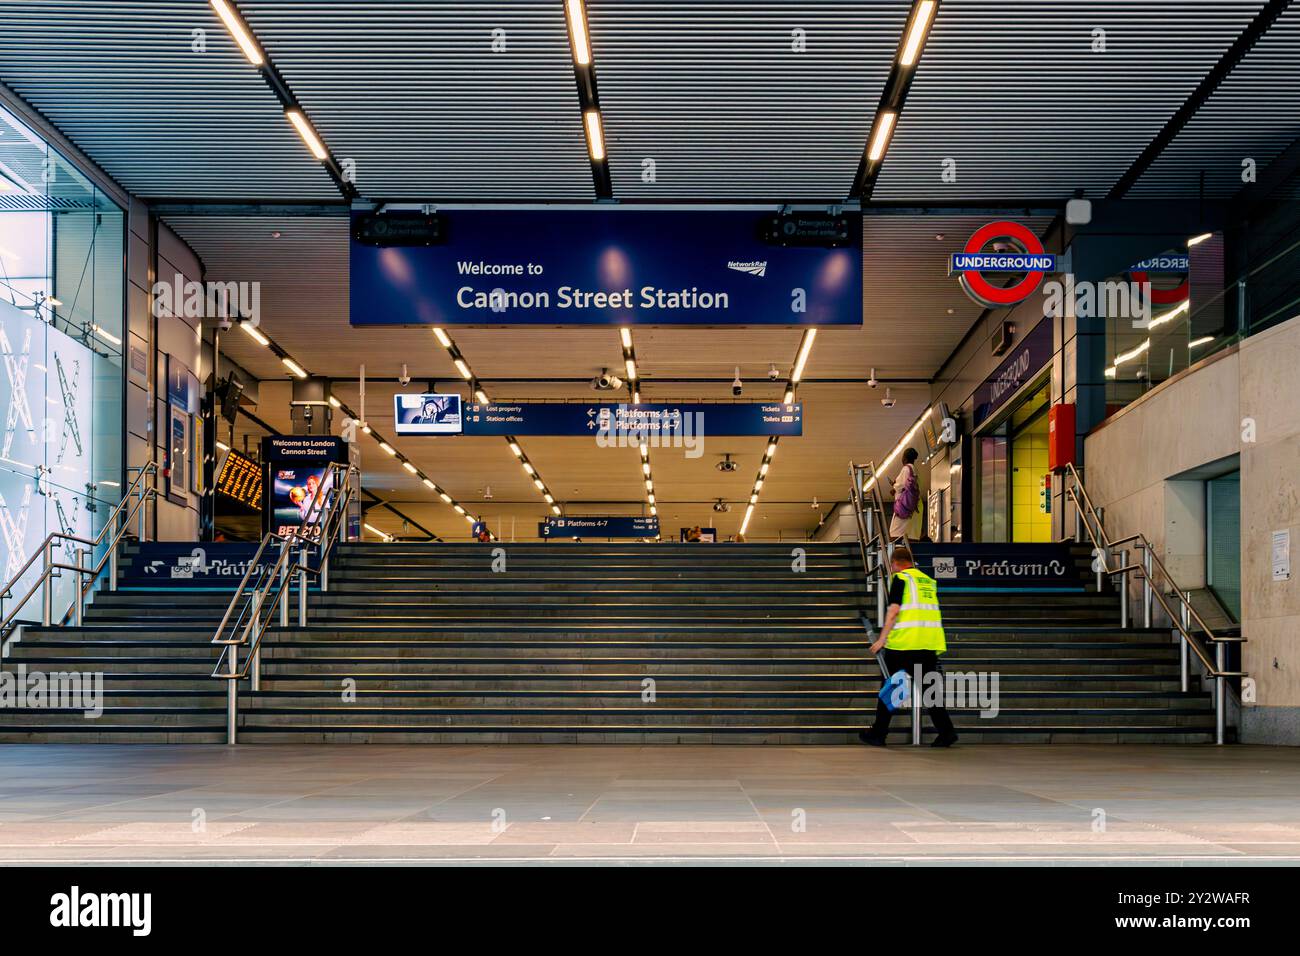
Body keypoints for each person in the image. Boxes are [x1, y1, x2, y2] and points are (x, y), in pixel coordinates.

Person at [860, 546, 957, 748]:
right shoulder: (927, 581)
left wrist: (882, 639)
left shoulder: (901, 579)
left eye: (892, 566)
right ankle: (947, 732)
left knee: (890, 688)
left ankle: (878, 733)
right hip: (927, 645)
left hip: (903, 645)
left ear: (895, 563)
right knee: (930, 692)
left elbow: (894, 611)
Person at [889, 447, 922, 541]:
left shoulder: (906, 468)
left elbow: (900, 486)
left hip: (905, 506)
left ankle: (900, 549)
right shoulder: (916, 471)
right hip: (916, 506)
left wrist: (894, 487)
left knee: (894, 534)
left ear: (905, 458)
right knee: (912, 535)